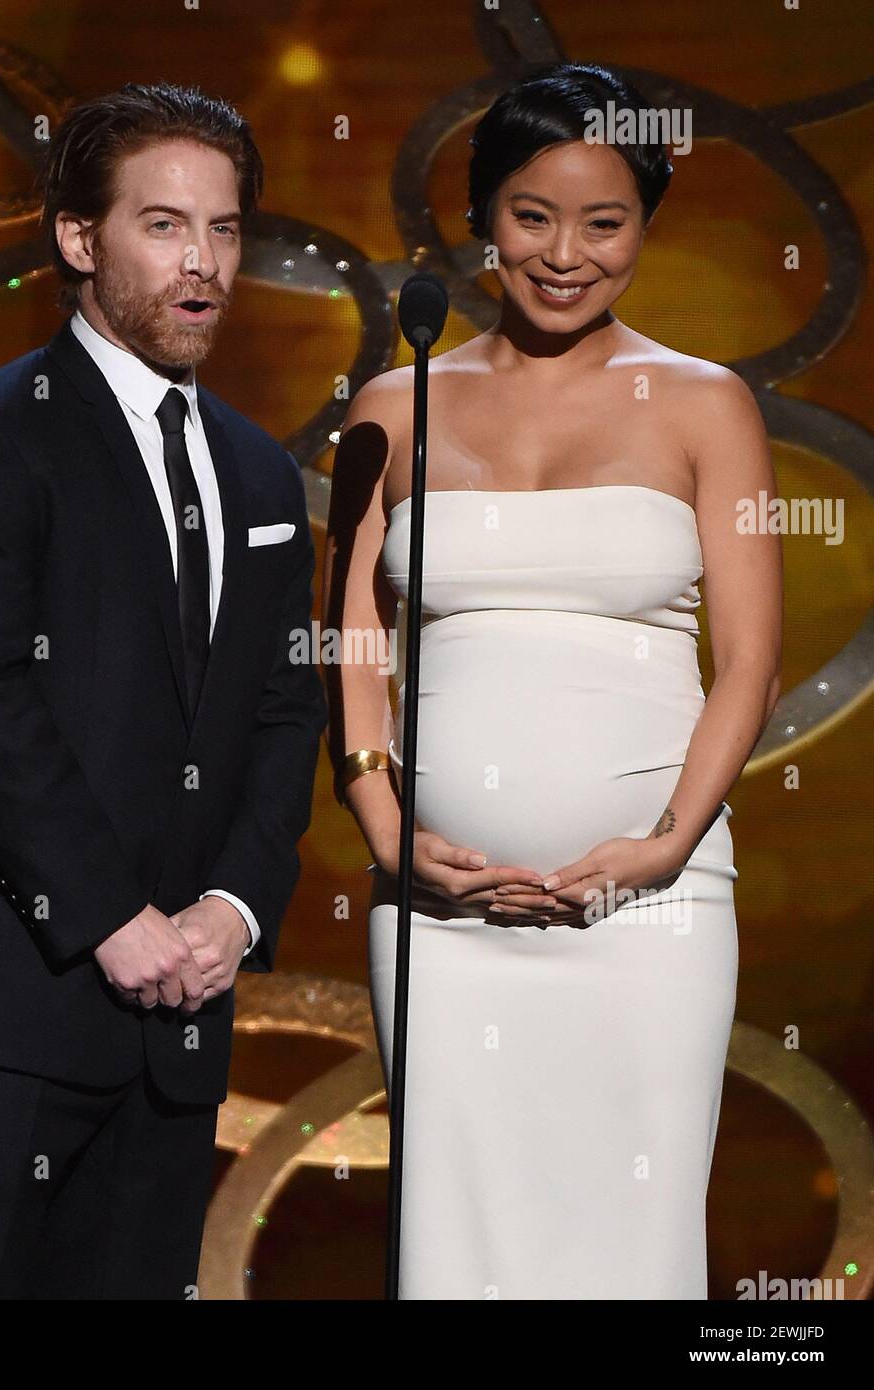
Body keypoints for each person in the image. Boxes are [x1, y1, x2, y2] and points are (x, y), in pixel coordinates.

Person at [323, 62, 782, 1299]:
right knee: (456, 1246)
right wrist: (385, 824)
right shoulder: (393, 400)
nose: (565, 254)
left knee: (627, 1251)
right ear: (480, 218)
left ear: (644, 226)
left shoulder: (706, 404)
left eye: (603, 221)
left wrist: (666, 844)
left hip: (647, 916)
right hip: (438, 917)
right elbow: (353, 644)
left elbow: (748, 659)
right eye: (533, 217)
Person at [0, 81, 327, 1299]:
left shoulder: (256, 470)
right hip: (12, 1005)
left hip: (183, 1015)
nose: (205, 265)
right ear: (79, 238)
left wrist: (233, 906)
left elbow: (286, 707)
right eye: (165, 225)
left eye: (226, 230)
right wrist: (109, 918)